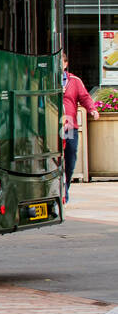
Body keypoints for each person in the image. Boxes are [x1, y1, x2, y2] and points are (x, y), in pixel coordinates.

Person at [62, 51, 98, 204]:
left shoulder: (74, 81)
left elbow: (84, 97)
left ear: (65, 64)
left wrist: (92, 109)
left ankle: (65, 188)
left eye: (61, 63)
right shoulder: (45, 79)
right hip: (51, 124)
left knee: (70, 157)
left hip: (68, 123)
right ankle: (58, 192)